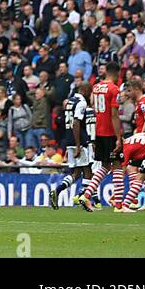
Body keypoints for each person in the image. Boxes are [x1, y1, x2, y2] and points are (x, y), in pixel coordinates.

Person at [79, 62, 123, 211]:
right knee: (117, 166)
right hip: (110, 132)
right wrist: (118, 137)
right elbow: (114, 115)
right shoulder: (114, 89)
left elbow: (93, 106)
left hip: (98, 132)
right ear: (116, 73)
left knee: (105, 166)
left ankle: (86, 195)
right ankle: (118, 204)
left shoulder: (96, 87)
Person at [51, 80, 95, 210]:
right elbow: (76, 123)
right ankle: (84, 199)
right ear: (86, 91)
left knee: (76, 172)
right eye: (90, 92)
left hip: (69, 139)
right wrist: (78, 145)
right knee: (88, 170)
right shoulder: (81, 102)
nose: (90, 95)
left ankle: (57, 190)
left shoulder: (70, 101)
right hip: (78, 140)